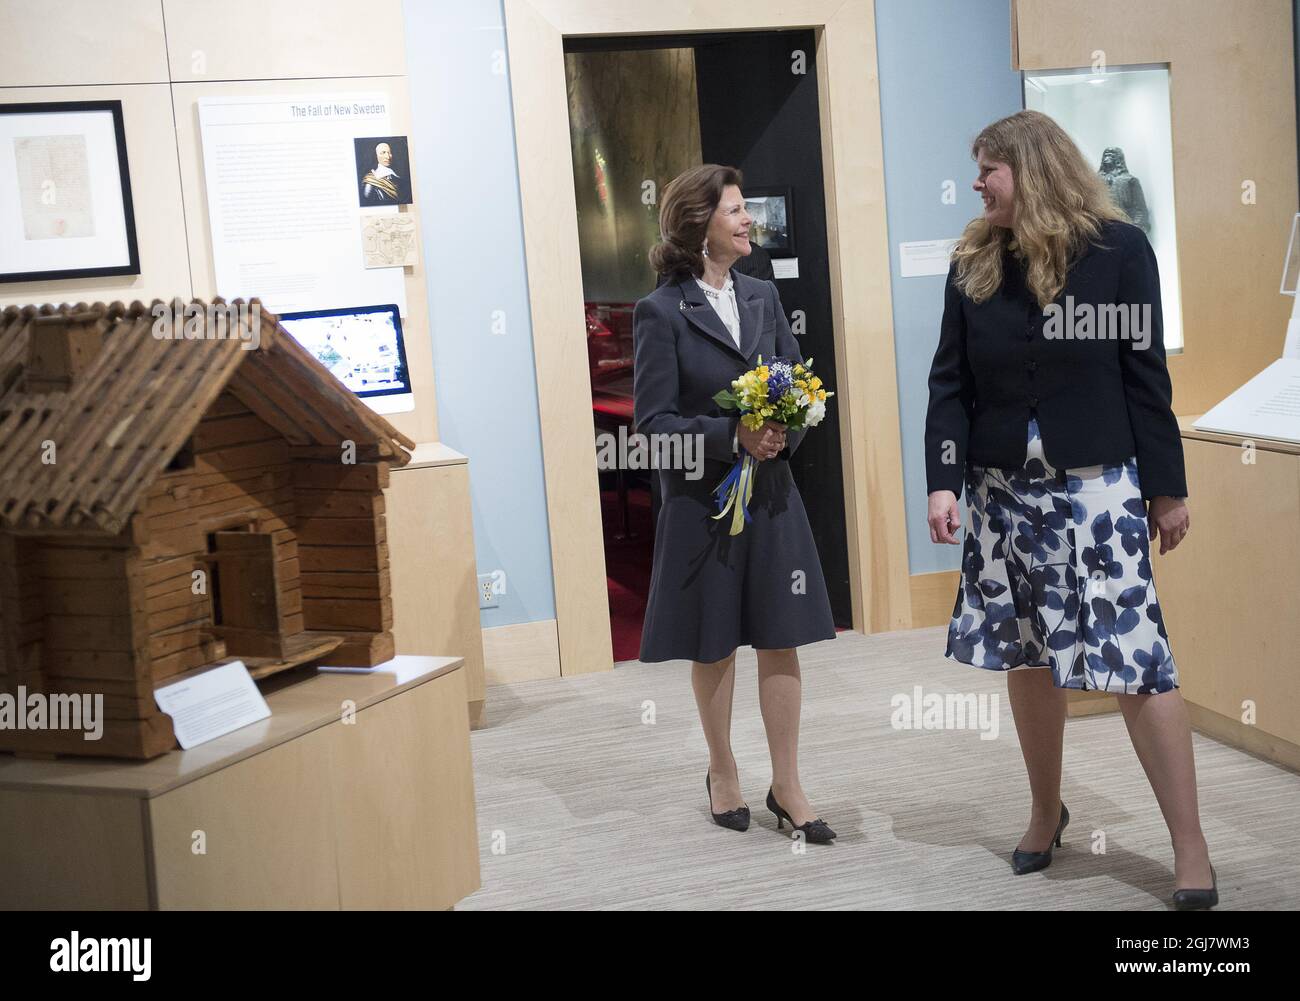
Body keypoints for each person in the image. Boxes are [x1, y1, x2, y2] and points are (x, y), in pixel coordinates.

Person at [924, 110, 1217, 909]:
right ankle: (1044, 809)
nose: (976, 182)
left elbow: (1143, 376)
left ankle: (1190, 849)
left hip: (1098, 492)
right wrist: (943, 478)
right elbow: (949, 381)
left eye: (989, 168)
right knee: (1029, 654)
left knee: (1137, 661)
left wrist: (1167, 486)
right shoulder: (973, 259)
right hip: (1002, 492)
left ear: (1034, 167)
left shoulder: (1119, 253)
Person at [634, 163, 837, 842]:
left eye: (746, 208)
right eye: (735, 210)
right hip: (703, 505)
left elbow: (796, 379)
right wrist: (732, 435)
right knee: (715, 639)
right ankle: (723, 770)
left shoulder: (762, 294)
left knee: (782, 634)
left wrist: (788, 427)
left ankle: (789, 783)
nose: (749, 219)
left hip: (773, 498)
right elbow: (653, 431)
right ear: (700, 226)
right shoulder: (659, 312)